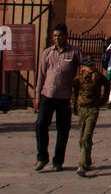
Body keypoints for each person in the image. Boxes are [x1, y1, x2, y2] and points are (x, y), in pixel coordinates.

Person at [33, 24, 80, 171]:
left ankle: (58, 160)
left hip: (65, 97)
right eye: (54, 36)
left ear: (66, 36)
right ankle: (42, 157)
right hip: (47, 95)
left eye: (59, 36)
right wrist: (36, 95)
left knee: (63, 129)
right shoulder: (47, 53)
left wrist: (77, 96)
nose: (57, 39)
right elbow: (41, 75)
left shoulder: (74, 53)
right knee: (40, 125)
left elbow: (81, 73)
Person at [70, 58, 109, 176]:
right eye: (88, 66)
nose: (91, 68)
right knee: (82, 135)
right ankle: (87, 159)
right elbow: (73, 92)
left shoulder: (98, 77)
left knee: (87, 135)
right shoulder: (79, 79)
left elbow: (107, 85)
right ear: (82, 68)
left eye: (92, 65)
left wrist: (103, 100)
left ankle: (81, 164)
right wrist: (73, 106)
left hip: (93, 109)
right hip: (82, 108)